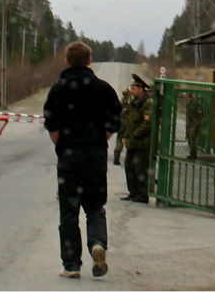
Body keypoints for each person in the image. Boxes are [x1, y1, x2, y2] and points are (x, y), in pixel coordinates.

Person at [43, 41, 121, 279]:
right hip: (96, 155)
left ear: (67, 61)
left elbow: (52, 124)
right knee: (95, 207)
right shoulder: (104, 89)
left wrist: (64, 145)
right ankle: (97, 243)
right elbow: (114, 122)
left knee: (69, 211)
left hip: (69, 157)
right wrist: (99, 139)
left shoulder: (58, 90)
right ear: (90, 60)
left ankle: (71, 264)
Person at [120, 73, 153, 203]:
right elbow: (131, 121)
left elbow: (147, 123)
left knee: (140, 169)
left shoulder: (147, 103)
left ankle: (142, 194)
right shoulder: (135, 103)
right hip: (133, 142)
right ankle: (133, 192)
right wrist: (126, 135)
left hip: (142, 143)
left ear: (141, 89)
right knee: (129, 166)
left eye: (134, 88)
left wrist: (134, 136)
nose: (131, 91)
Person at [113, 88, 132, 166]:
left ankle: (116, 158)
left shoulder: (121, 102)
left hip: (121, 124)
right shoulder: (131, 102)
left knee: (119, 141)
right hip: (128, 124)